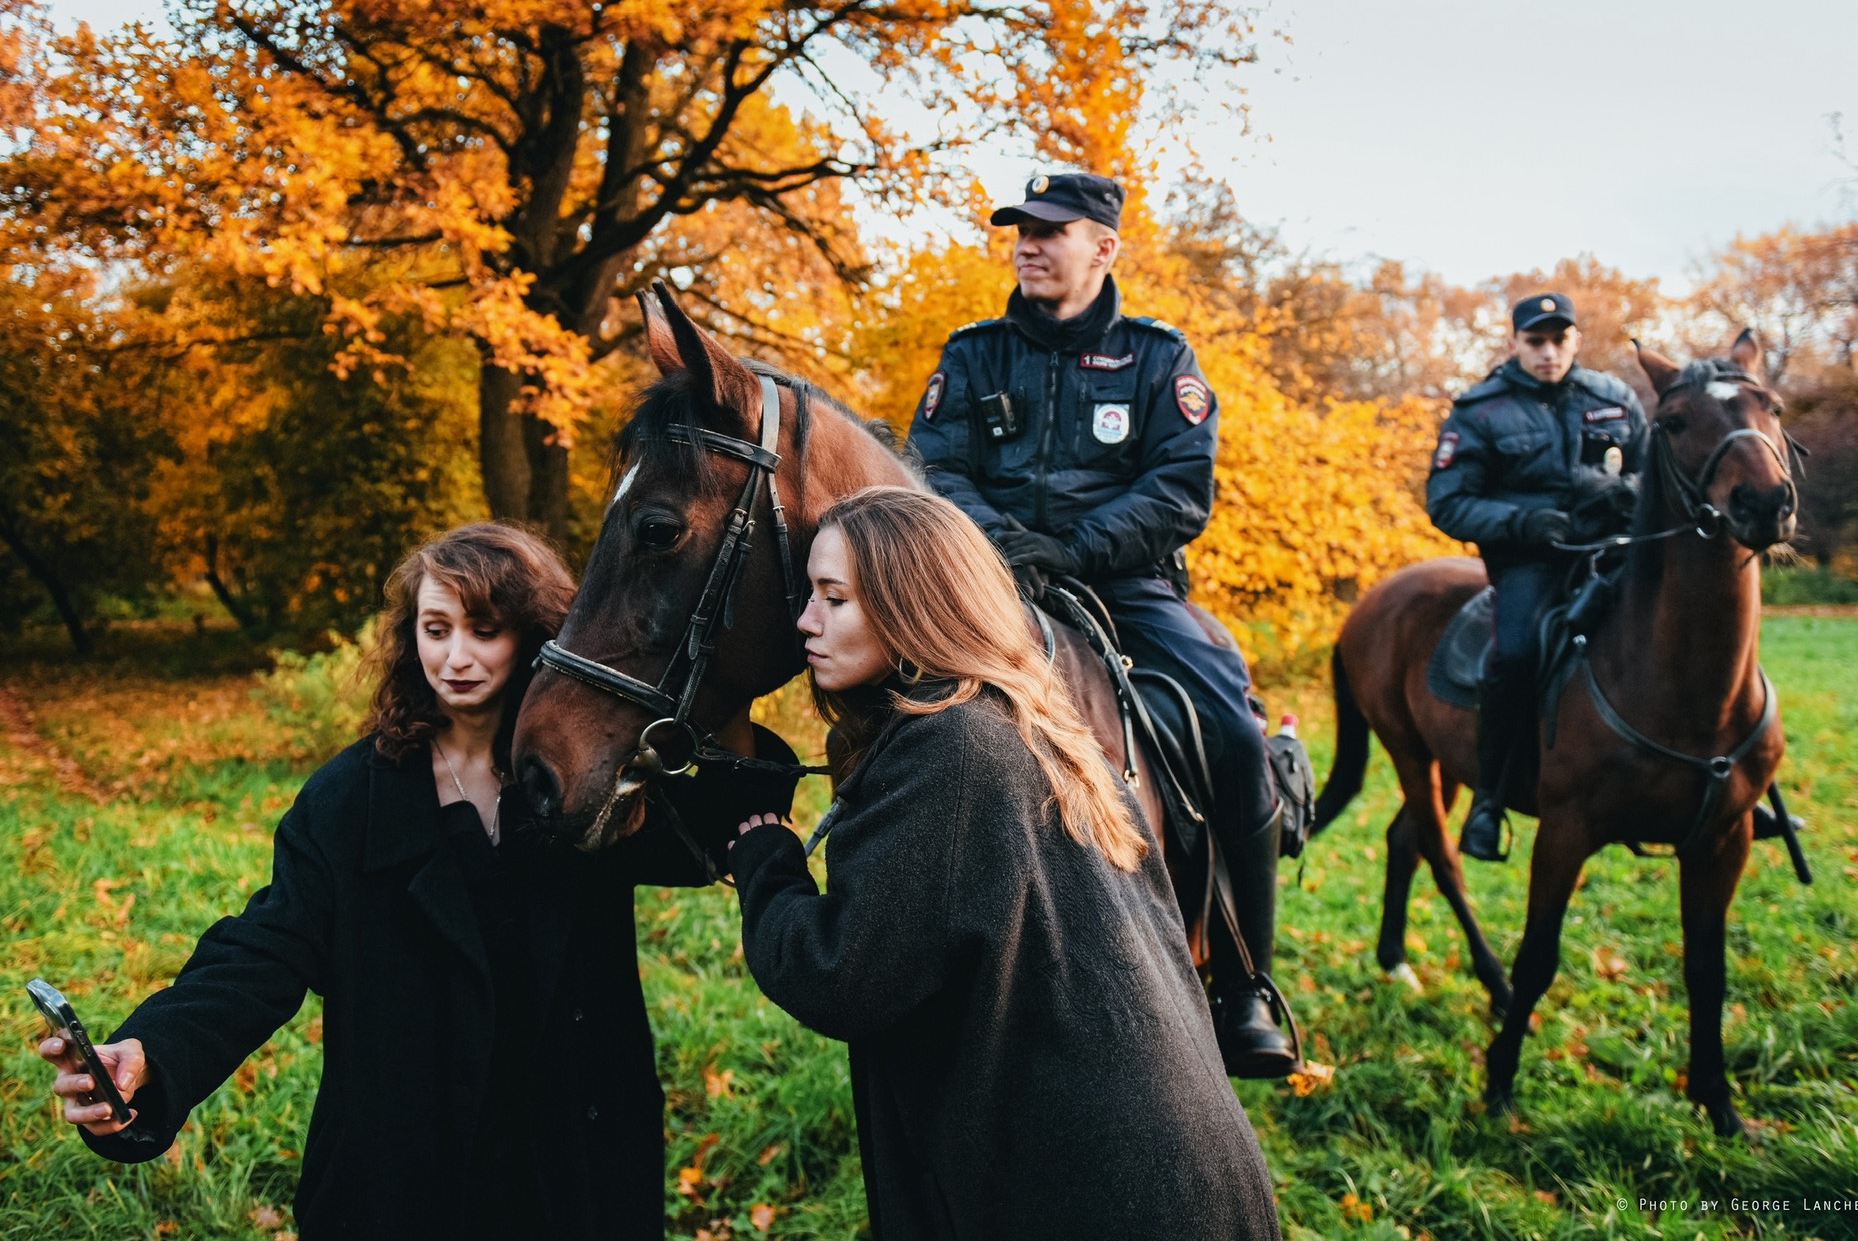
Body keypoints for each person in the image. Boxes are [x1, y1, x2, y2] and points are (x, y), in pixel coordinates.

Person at [35, 522, 721, 1240]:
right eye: (436, 628)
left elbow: (704, 836)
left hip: (571, 1168)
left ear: (535, 635)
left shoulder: (583, 781)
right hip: (406, 1182)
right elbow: (263, 950)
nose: (455, 657)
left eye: (484, 631)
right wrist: (151, 1054)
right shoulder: (349, 800)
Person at [722, 486, 1282, 1241]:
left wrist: (765, 852)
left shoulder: (951, 747)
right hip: (1182, 1178)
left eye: (835, 599)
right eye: (809, 595)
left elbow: (840, 975)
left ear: (914, 603)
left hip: (1097, 1198)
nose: (805, 623)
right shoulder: (1031, 720)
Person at [905, 170, 1295, 1076]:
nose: (1028, 244)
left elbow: (1179, 489)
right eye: (1020, 229)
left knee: (1234, 734)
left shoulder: (1161, 359)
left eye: (1051, 230)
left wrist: (1076, 548)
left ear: (1104, 247)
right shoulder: (971, 356)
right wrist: (1003, 545)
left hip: (1125, 584)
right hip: (988, 576)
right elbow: (935, 466)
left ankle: (1246, 982)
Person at [1426, 293, 1647, 860]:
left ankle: (1734, 786)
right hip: (1530, 560)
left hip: (1616, 552)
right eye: (1536, 341)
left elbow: (1655, 480)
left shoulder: (1615, 399)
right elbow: (1447, 504)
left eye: (1559, 339)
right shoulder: (1479, 410)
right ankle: (1490, 799)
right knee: (1517, 654)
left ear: (1576, 339)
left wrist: (1624, 497)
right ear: (1516, 343)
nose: (1549, 352)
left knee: (1693, 626)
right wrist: (1523, 521)